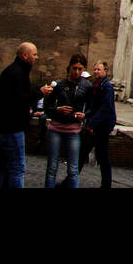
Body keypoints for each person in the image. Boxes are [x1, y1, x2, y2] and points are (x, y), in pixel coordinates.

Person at [0, 42, 50, 189]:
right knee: (17, 168)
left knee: (0, 166)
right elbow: (21, 97)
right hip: (12, 128)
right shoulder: (18, 73)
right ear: (24, 55)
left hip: (0, 126)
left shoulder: (10, 71)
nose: (36, 57)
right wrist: (39, 92)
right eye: (34, 54)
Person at [44, 54, 90, 188]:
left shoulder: (86, 86)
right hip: (56, 128)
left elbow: (92, 107)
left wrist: (84, 115)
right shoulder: (59, 84)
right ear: (69, 68)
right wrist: (58, 109)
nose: (76, 72)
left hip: (73, 130)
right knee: (52, 167)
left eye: (80, 69)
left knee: (73, 169)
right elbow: (48, 107)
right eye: (74, 68)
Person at [78, 60, 116, 188]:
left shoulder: (107, 87)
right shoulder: (97, 85)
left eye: (98, 69)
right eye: (95, 69)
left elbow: (105, 108)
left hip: (101, 127)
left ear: (105, 72)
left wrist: (91, 124)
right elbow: (94, 107)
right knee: (87, 154)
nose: (95, 72)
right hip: (97, 124)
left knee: (99, 156)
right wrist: (87, 116)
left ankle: (106, 184)